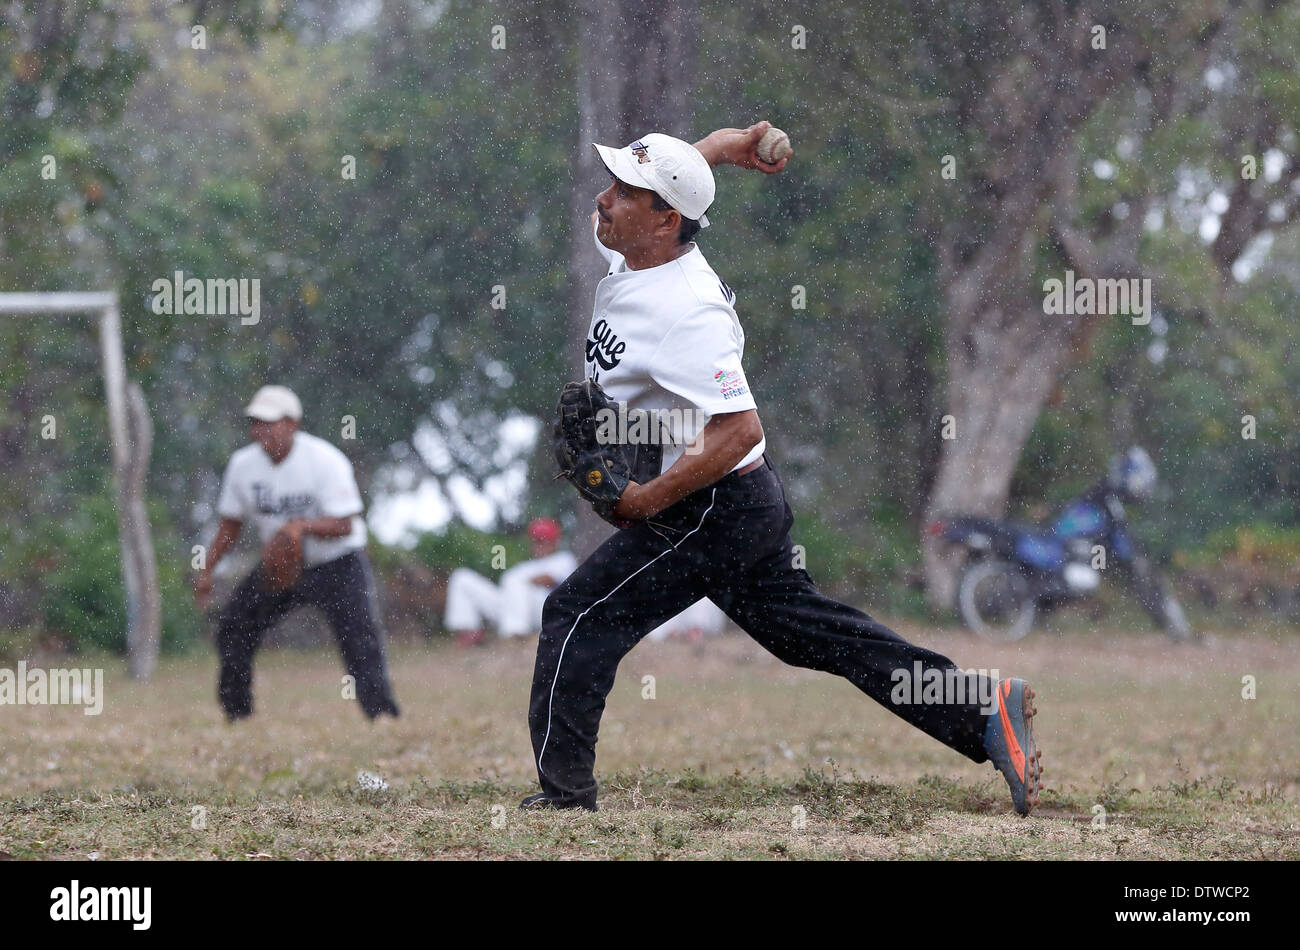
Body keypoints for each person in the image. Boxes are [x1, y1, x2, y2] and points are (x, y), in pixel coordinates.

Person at [523, 123, 1042, 814]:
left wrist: (646, 502)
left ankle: (564, 798)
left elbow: (741, 429)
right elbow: (665, 190)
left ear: (665, 219)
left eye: (623, 191)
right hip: (737, 501)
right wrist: (717, 149)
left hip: (713, 504)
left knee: (579, 614)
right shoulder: (634, 248)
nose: (603, 200)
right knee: (809, 635)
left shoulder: (689, 311)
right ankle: (981, 708)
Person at [194, 385, 401, 721]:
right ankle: (237, 713)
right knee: (234, 625)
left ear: (292, 424)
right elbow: (230, 525)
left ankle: (381, 714)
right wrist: (207, 570)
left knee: (360, 638)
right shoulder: (242, 465)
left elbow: (346, 524)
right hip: (282, 565)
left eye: (269, 422)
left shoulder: (324, 460)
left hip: (337, 562)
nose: (260, 430)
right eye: (255, 423)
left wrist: (301, 526)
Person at [443, 517, 578, 646]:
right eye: (536, 540)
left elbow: (549, 580)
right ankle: (469, 632)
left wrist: (522, 581)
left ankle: (515, 634)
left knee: (516, 582)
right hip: (511, 607)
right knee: (461, 577)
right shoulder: (526, 565)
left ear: (554, 541)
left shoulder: (564, 559)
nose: (538, 544)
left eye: (543, 540)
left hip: (542, 609)